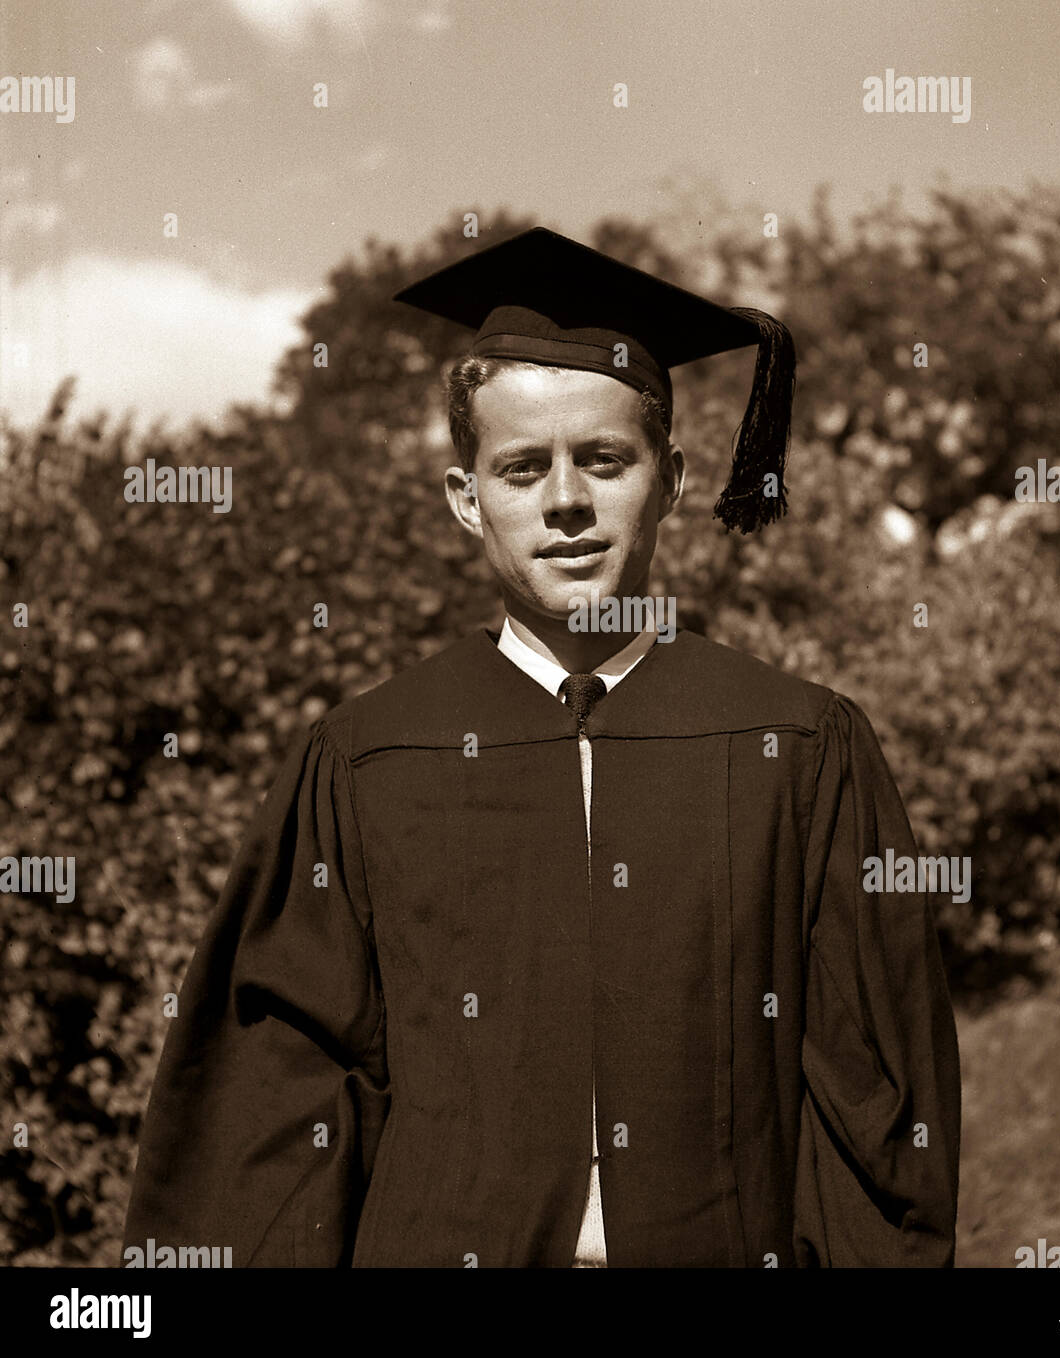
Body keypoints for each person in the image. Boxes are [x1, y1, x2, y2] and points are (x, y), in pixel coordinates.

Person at [122, 227, 960, 1268]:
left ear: (673, 477)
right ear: (467, 499)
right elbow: (272, 1112)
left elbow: (871, 1089)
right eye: (522, 468)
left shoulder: (797, 745)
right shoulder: (366, 758)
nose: (565, 499)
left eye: (604, 459)